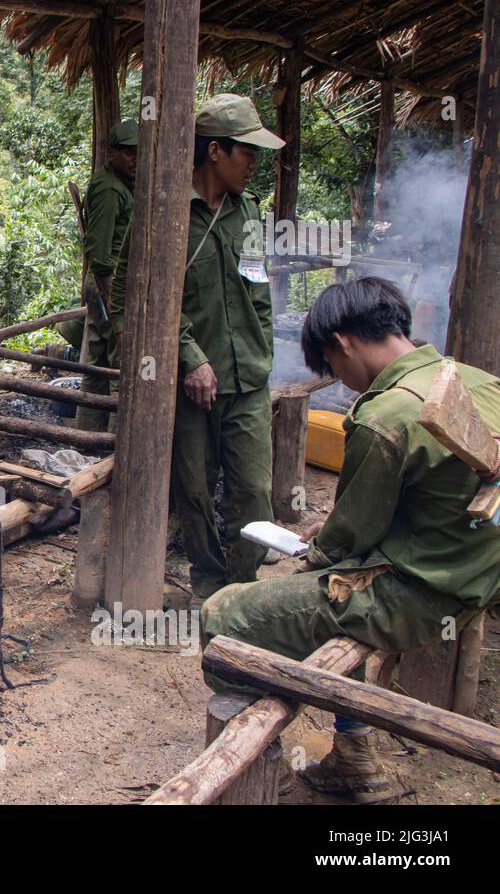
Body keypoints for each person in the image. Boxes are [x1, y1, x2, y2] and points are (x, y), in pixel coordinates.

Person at [201, 277, 500, 802]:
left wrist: (314, 550)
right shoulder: (479, 382)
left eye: (332, 368)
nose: (342, 383)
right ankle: (353, 752)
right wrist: (341, 526)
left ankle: (260, 761)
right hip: (477, 578)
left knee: (226, 614)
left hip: (420, 596)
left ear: (341, 342)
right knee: (317, 596)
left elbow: (347, 544)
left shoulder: (386, 415)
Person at [110, 94, 283, 598]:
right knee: (195, 491)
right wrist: (190, 356)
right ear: (215, 153)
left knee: (253, 491)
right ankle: (209, 586)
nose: (254, 163)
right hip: (186, 386)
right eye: (246, 153)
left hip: (248, 379)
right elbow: (131, 295)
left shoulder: (249, 212)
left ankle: (243, 589)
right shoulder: (163, 212)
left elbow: (260, 293)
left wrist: (262, 353)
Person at [74, 119, 137, 432]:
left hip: (108, 285)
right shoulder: (109, 189)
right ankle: (112, 442)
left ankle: (89, 436)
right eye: (128, 153)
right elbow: (99, 252)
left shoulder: (124, 184)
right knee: (118, 363)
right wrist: (116, 301)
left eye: (139, 153)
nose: (135, 159)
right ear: (112, 153)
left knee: (100, 363)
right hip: (106, 285)